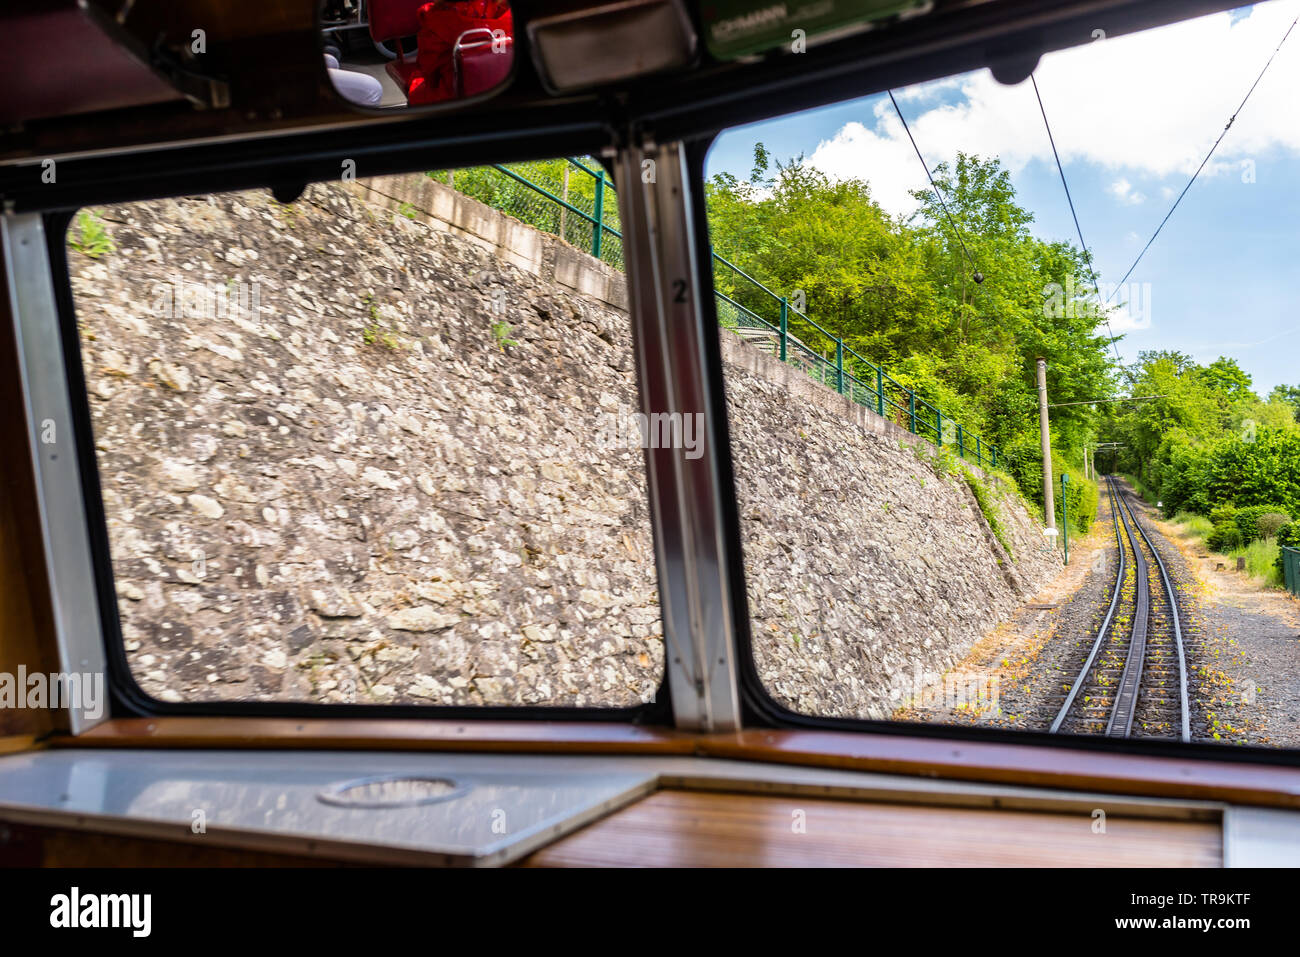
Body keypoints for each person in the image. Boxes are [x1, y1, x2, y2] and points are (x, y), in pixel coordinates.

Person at [408, 1, 512, 105]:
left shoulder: (438, 16)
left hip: (455, 96)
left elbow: (429, 69)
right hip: (504, 88)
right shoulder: (509, 10)